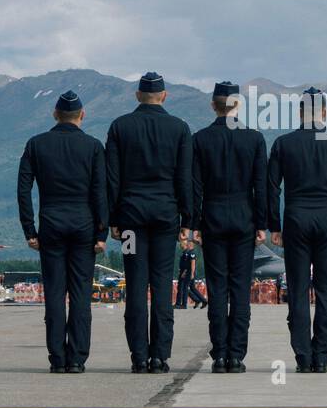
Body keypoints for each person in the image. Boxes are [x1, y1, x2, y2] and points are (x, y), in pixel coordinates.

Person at [106, 72, 193, 374]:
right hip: (165, 219)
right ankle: (161, 356)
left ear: (137, 96)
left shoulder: (120, 127)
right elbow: (185, 179)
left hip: (130, 220)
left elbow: (112, 178)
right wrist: (187, 219)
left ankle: (138, 356)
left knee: (135, 284)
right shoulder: (180, 129)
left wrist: (113, 218)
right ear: (165, 96)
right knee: (161, 284)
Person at [17, 90, 108, 373]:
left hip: (51, 224)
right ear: (82, 115)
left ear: (55, 115)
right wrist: (101, 234)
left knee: (55, 294)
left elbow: (23, 189)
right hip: (84, 225)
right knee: (81, 295)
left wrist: (30, 230)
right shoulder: (93, 147)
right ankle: (77, 359)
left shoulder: (36, 144)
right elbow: (100, 192)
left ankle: (57, 358)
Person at [267, 88, 327, 373]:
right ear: (325, 113)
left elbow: (272, 188)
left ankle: (303, 356)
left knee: (298, 289)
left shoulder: (283, 143)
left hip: (296, 218)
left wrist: (274, 226)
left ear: (300, 113)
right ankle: (323, 356)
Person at [192, 80, 268, 373]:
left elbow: (195, 187)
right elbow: (260, 186)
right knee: (240, 290)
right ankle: (237, 354)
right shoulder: (254, 139)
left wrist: (194, 223)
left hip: (211, 218)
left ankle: (219, 353)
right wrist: (261, 223)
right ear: (237, 105)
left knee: (217, 288)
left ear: (213, 105)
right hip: (244, 218)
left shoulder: (200, 139)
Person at [174, 242, 206, 309]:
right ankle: (202, 300)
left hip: (188, 273)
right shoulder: (187, 252)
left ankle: (184, 305)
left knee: (185, 288)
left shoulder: (191, 253)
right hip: (187, 272)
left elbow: (192, 264)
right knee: (192, 288)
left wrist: (190, 273)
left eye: (187, 244)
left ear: (190, 245)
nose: (181, 245)